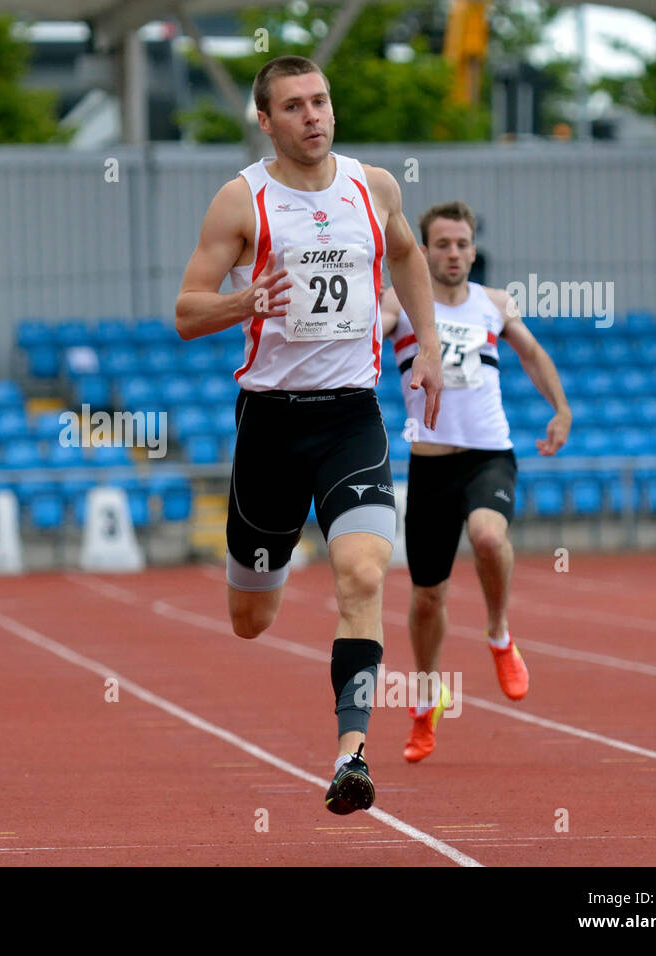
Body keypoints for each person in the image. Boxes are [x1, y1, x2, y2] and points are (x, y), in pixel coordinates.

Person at [175, 55, 443, 814]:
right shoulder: (240, 202)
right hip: (270, 424)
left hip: (351, 417)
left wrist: (426, 345)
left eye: (321, 101)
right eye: (293, 106)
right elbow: (187, 313)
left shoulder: (374, 185)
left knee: (361, 575)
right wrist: (247, 300)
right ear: (265, 120)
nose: (313, 116)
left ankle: (350, 755)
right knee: (251, 620)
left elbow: (407, 254)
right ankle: (270, 560)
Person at [378, 200, 571, 763]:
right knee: (427, 595)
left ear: (473, 249)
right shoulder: (403, 304)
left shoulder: (495, 304)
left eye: (463, 244)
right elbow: (368, 332)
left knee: (488, 536)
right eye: (443, 244)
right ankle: (427, 697)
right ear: (424, 249)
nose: (455, 253)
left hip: (490, 455)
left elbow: (533, 355)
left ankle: (499, 634)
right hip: (430, 463)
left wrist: (559, 409)